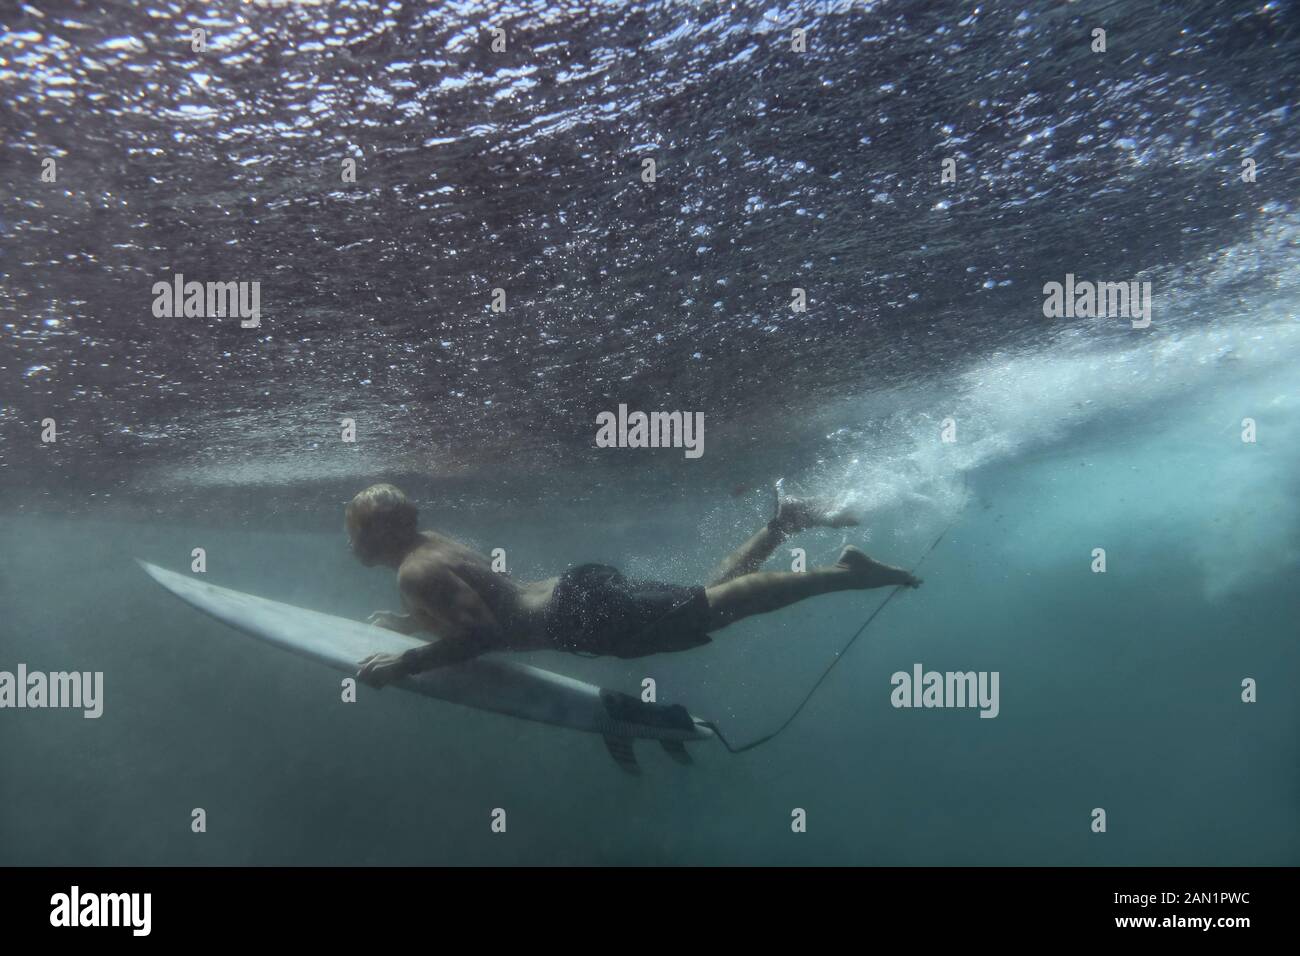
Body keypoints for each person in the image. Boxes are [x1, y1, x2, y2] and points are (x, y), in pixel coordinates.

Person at [350, 483, 920, 687]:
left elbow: (482, 635)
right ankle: (784, 522)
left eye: (355, 530)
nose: (351, 542)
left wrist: (406, 665)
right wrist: (410, 624)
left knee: (711, 607)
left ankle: (848, 573)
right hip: (576, 596)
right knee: (706, 596)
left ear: (376, 532)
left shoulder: (415, 570)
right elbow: (476, 604)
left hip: (577, 617)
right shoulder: (431, 545)